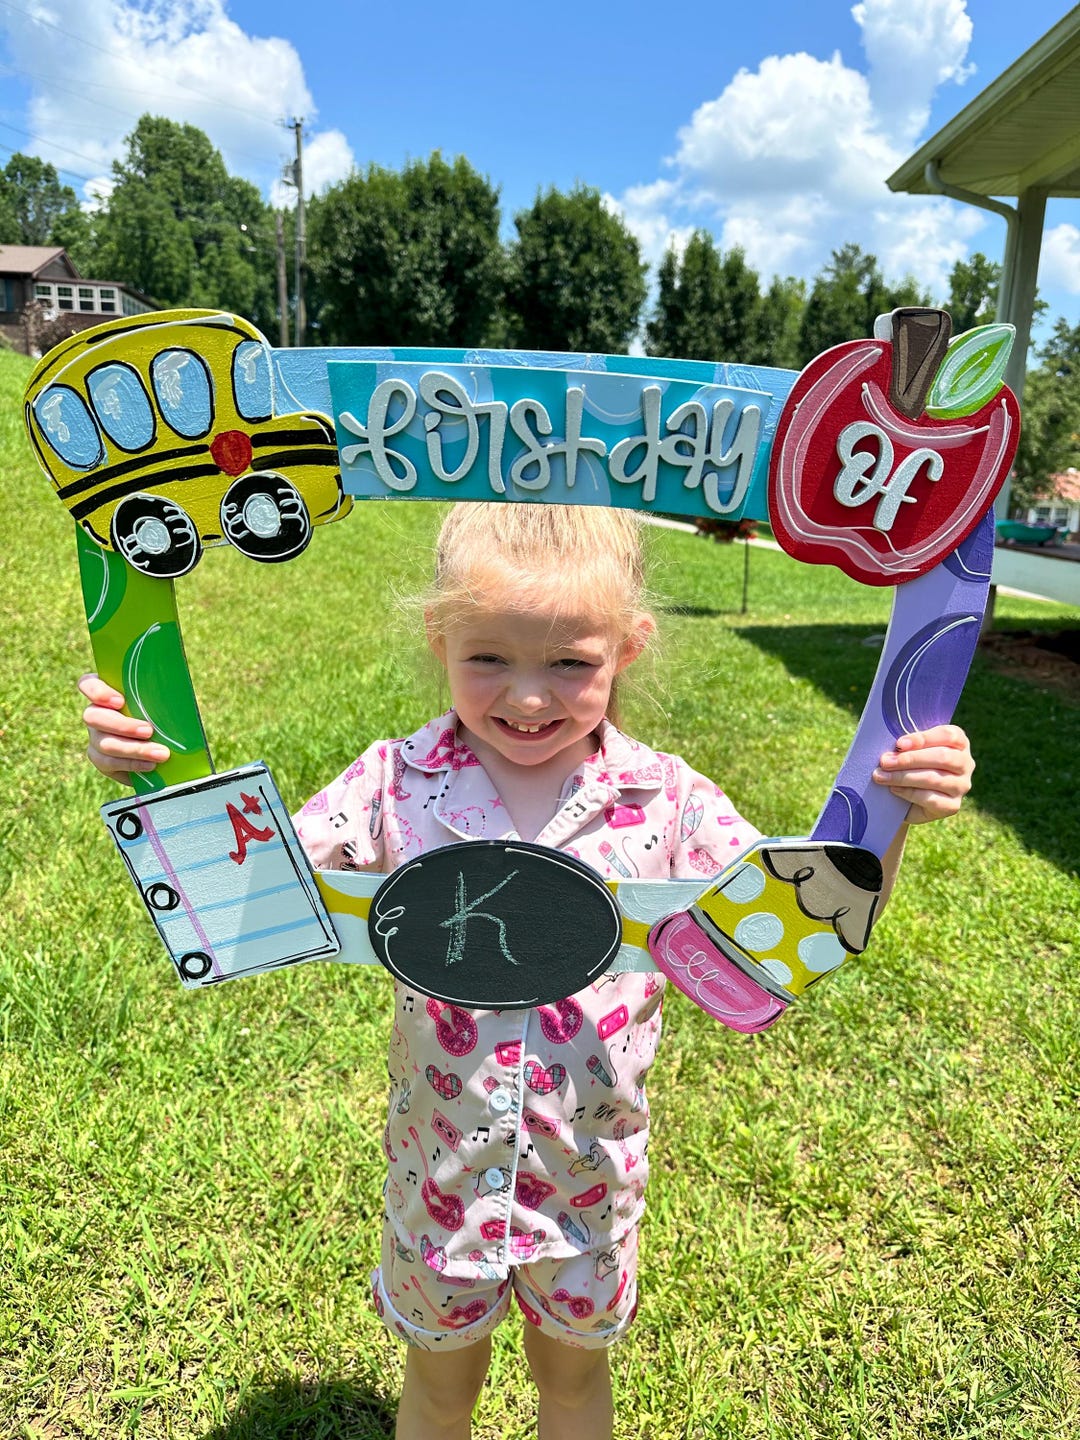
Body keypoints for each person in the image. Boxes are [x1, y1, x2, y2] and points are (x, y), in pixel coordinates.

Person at [78, 503, 974, 1440]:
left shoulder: (666, 800)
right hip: (442, 1180)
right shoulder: (394, 784)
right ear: (439, 637)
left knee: (575, 1387)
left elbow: (800, 928)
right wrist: (150, 771)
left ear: (628, 648)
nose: (531, 698)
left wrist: (894, 810)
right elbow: (241, 903)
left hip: (586, 1181)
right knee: (438, 1393)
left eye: (570, 664)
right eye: (489, 658)